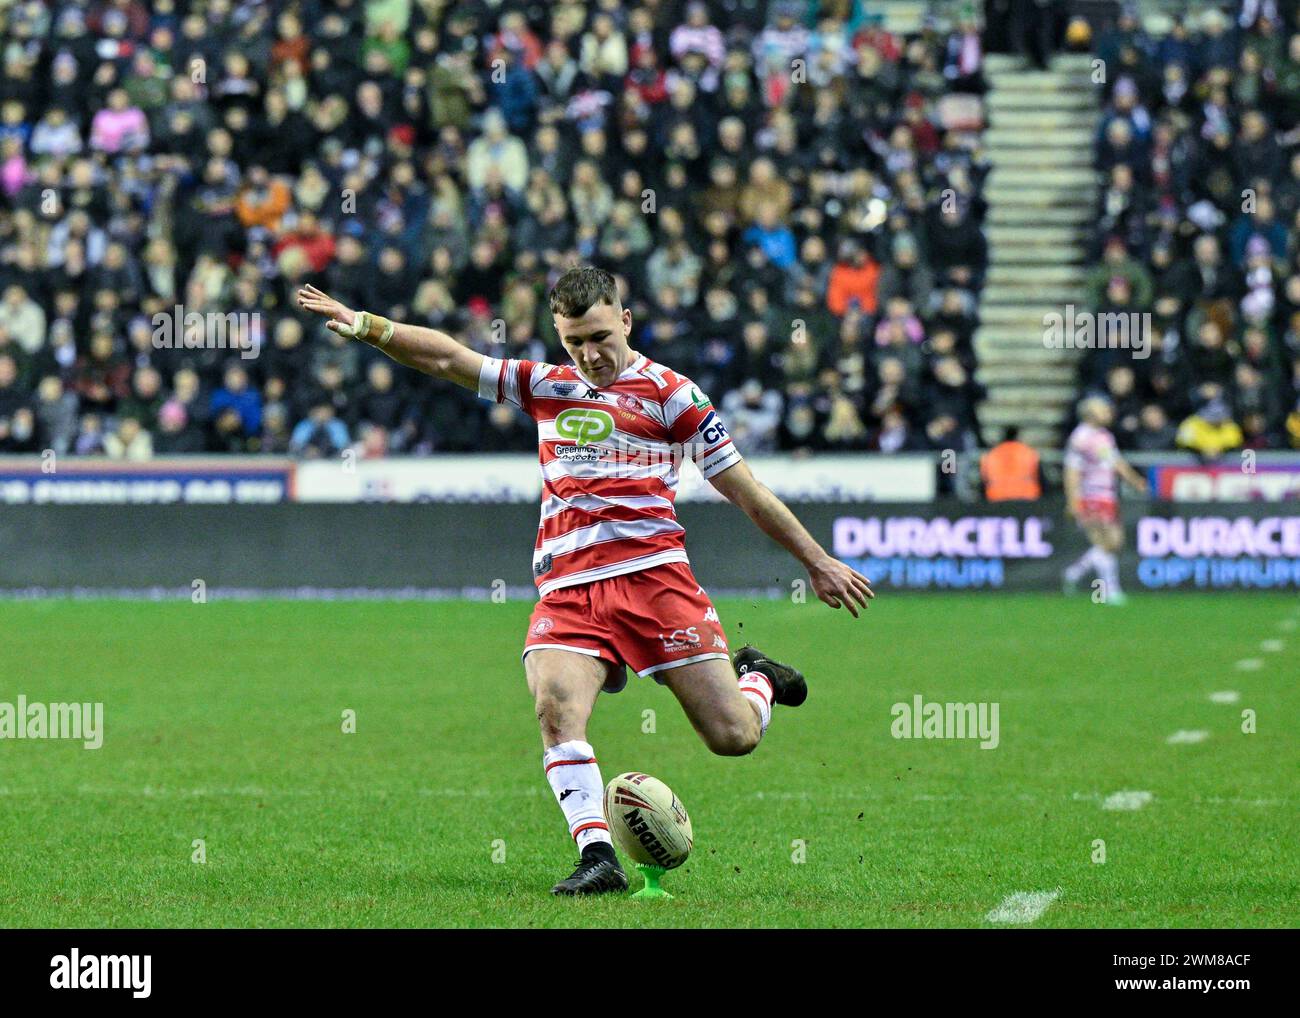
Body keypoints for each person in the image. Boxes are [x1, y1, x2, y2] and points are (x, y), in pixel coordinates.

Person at [297, 266, 873, 896]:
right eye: (575, 342)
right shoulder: (547, 386)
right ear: (558, 335)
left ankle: (758, 675)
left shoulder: (674, 395)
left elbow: (748, 493)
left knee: (732, 737)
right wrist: (369, 327)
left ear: (625, 320)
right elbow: (449, 359)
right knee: (554, 708)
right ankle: (597, 855)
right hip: (569, 588)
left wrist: (816, 560)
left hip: (655, 582)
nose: (591, 354)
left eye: (600, 336)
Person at [1061, 396, 1149, 605]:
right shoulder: (1080, 437)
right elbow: (1072, 471)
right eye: (1104, 410)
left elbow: (1114, 462)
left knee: (1111, 543)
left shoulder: (1104, 436)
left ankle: (1074, 573)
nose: (1109, 413)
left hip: (1107, 494)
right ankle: (1109, 590)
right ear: (1090, 413)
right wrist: (1073, 500)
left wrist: (1134, 480)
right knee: (1108, 542)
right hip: (1090, 495)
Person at [981, 426, 1041, 501]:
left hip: (996, 497)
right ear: (1017, 436)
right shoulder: (1028, 452)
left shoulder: (992, 454)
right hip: (1026, 497)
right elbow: (1040, 477)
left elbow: (984, 481)